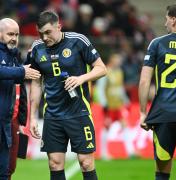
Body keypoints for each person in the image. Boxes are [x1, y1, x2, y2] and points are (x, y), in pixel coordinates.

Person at [29, 10, 107, 180]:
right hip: (52, 114)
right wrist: (33, 117)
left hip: (78, 112)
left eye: (48, 32)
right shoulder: (36, 48)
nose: (44, 37)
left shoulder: (78, 41)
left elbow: (102, 68)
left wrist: (81, 79)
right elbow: (35, 83)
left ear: (59, 26)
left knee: (86, 162)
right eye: (40, 33)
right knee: (54, 163)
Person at [139, 4, 176, 180]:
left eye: (166, 19)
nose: (164, 23)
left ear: (173, 19)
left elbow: (144, 81)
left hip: (164, 114)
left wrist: (142, 112)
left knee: (162, 171)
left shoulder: (157, 44)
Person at [0, 18, 41, 180]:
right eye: (10, 34)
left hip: (6, 122)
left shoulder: (13, 54)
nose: (14, 38)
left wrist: (30, 59)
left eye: (16, 35)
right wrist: (21, 72)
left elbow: (17, 77)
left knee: (5, 170)